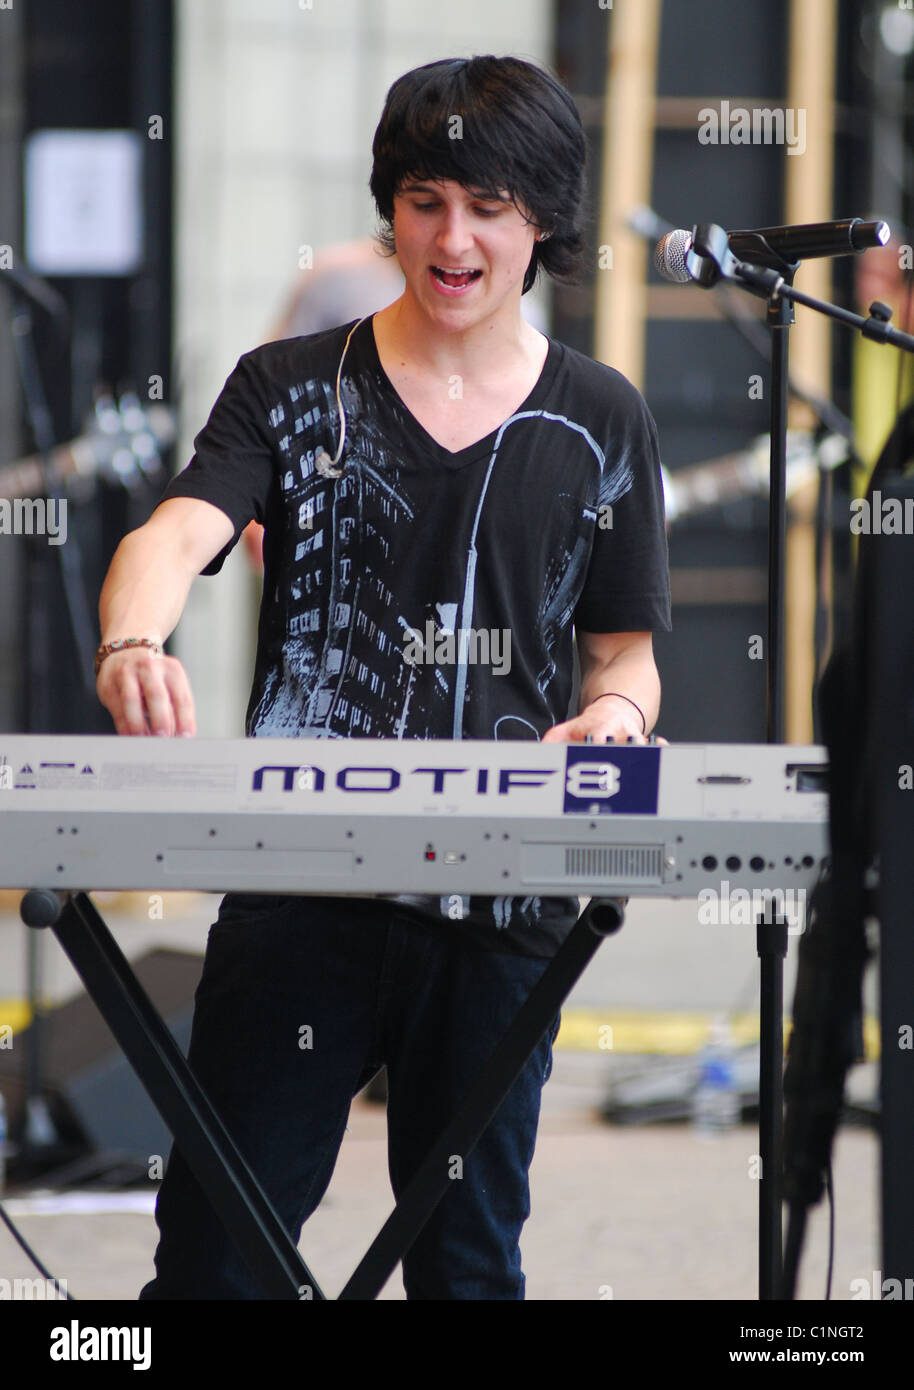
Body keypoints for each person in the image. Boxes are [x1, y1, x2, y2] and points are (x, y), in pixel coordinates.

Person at [96, 55, 671, 1300]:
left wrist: (615, 720)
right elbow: (174, 533)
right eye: (422, 201)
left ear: (542, 223)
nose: (450, 237)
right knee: (214, 1260)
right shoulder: (290, 389)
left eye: (486, 205)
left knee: (465, 1267)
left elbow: (622, 655)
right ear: (388, 209)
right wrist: (132, 641)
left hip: (504, 896)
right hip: (299, 891)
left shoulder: (601, 416)